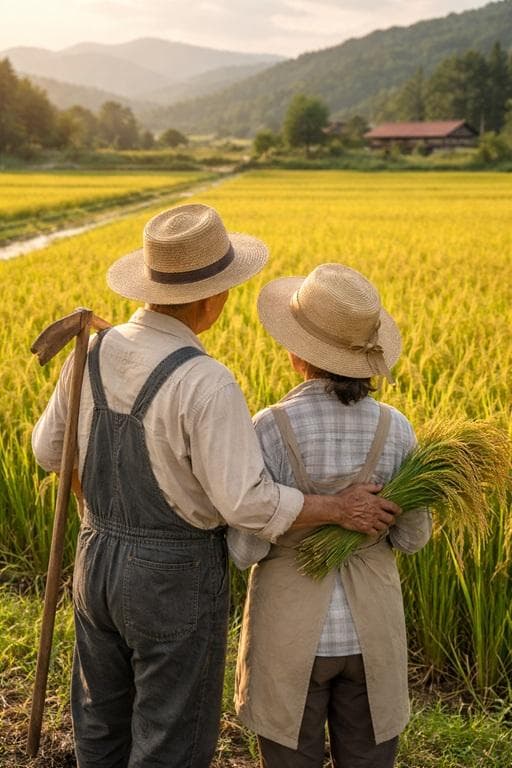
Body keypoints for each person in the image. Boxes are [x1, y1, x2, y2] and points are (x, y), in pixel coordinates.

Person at [31, 205, 400, 768]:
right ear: (211, 298)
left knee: (100, 721)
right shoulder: (206, 380)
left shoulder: (95, 349)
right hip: (172, 577)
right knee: (169, 737)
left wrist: (104, 511)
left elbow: (48, 451)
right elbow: (246, 503)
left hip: (96, 556)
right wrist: (334, 507)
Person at [229, 263, 432, 768]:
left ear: (298, 354)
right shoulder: (398, 429)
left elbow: (245, 546)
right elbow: (413, 537)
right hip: (371, 631)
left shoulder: (269, 427)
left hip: (289, 631)